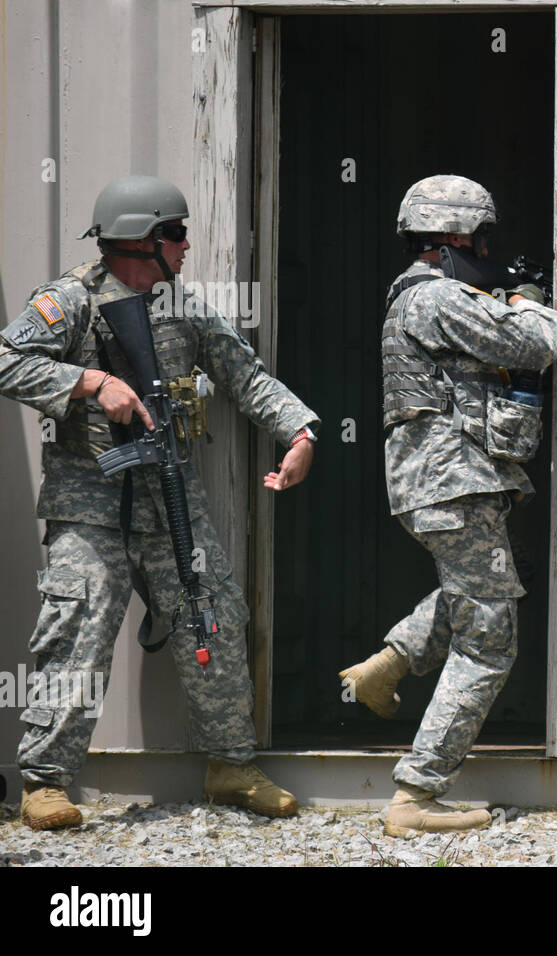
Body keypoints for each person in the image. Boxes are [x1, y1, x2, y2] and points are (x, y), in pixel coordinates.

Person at [0, 174, 320, 829]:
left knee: (217, 618)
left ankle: (231, 766)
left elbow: (247, 376)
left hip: (170, 498)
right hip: (90, 506)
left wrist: (299, 430)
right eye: (175, 234)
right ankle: (46, 782)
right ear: (142, 240)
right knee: (76, 633)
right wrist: (89, 382)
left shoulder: (184, 307)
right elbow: (6, 361)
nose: (186, 245)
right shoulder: (70, 301)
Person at [338, 175, 557, 838]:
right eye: (480, 238)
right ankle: (416, 792)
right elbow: (538, 342)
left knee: (478, 591)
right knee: (489, 641)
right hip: (453, 482)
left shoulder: (419, 295)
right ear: (458, 238)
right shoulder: (437, 297)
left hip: (441, 485)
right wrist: (529, 300)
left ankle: (389, 664)